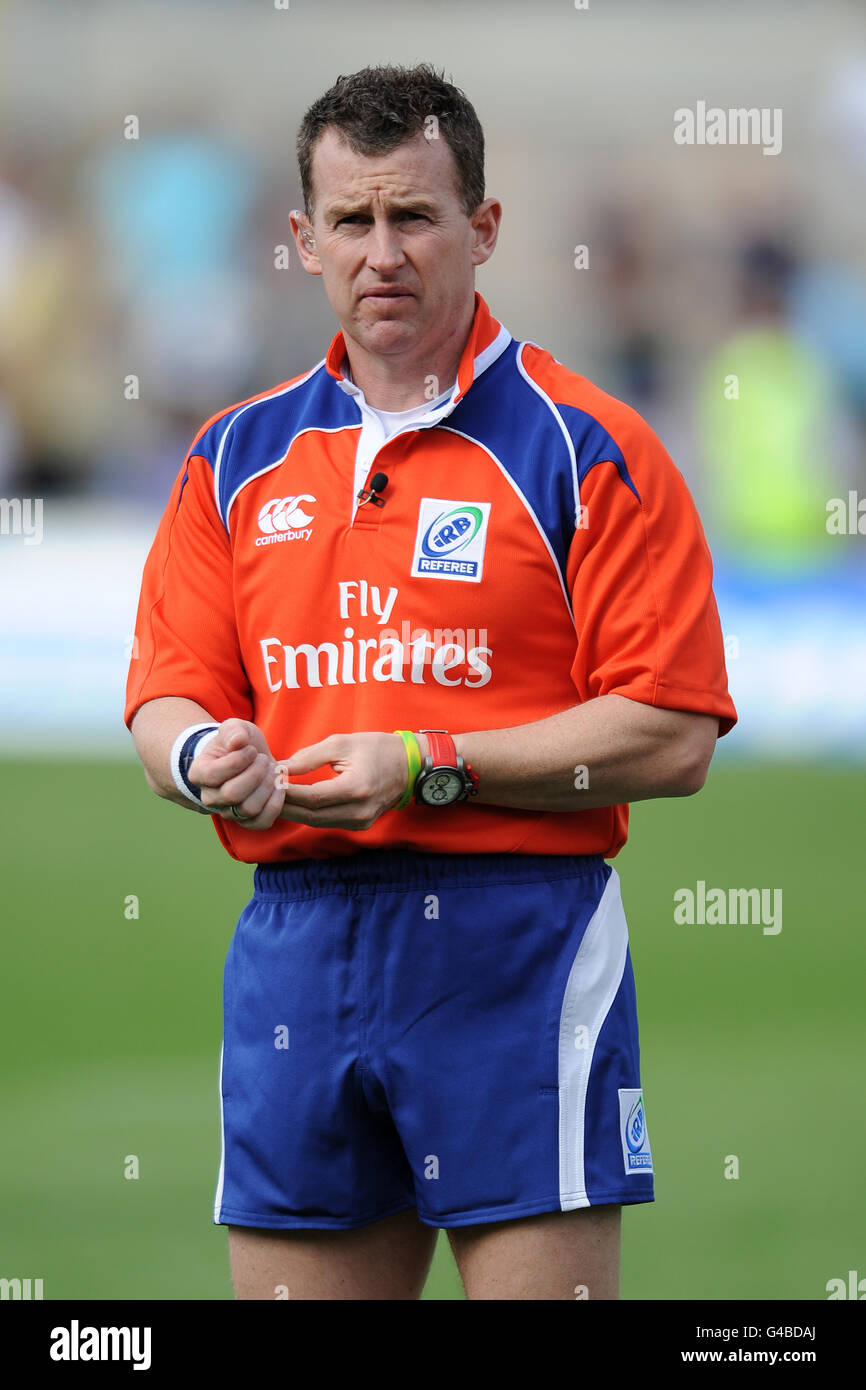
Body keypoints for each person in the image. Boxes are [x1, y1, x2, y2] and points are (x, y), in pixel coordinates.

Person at [124, 63, 736, 1301]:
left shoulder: (587, 446)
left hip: (516, 935)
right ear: (302, 240)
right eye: (351, 221)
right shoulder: (233, 459)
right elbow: (167, 695)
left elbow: (671, 732)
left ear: (484, 228)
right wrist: (202, 760)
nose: (382, 252)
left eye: (415, 216)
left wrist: (425, 760)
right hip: (298, 947)